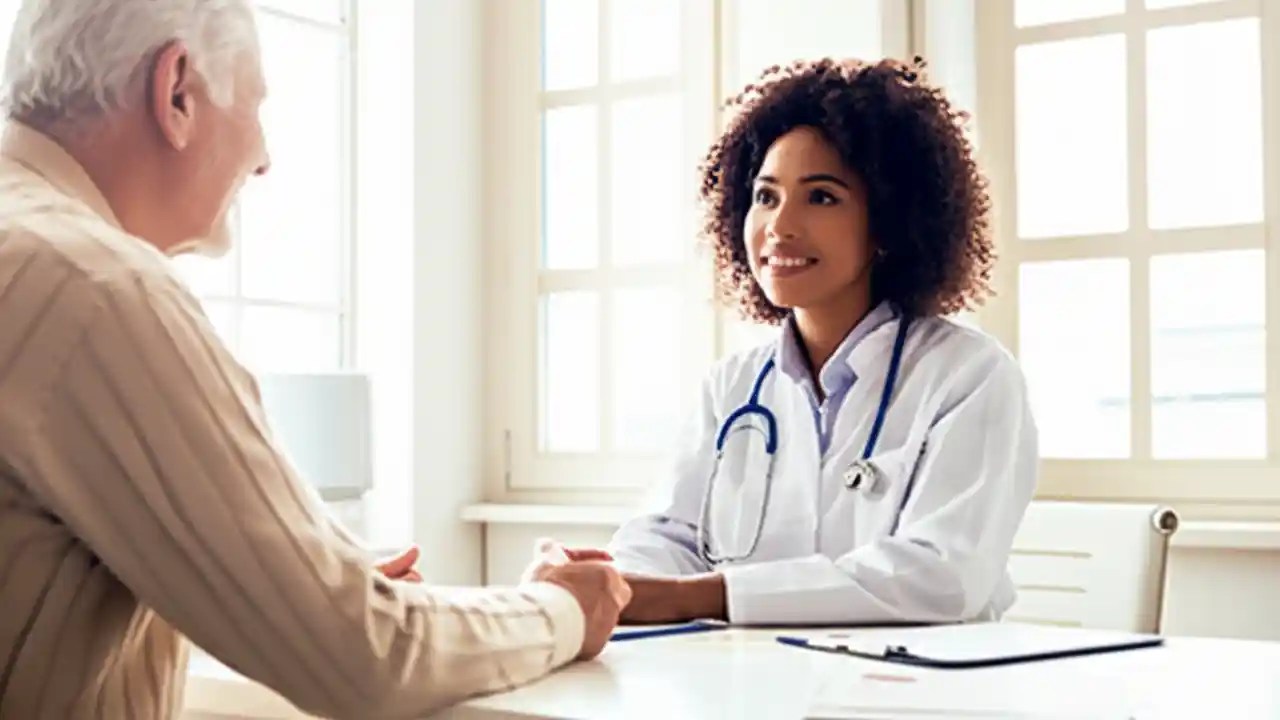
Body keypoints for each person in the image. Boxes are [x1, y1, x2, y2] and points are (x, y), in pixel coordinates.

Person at [0, 1, 628, 718]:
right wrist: (561, 610)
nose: (263, 157)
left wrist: (280, 575)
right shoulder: (99, 291)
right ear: (176, 92)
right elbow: (365, 657)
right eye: (256, 104)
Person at [540, 57, 1038, 627]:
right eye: (766, 196)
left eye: (821, 197)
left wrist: (695, 596)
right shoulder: (734, 385)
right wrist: (610, 581)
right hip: (758, 680)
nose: (780, 226)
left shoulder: (968, 376)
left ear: (889, 223)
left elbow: (941, 576)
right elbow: (667, 534)